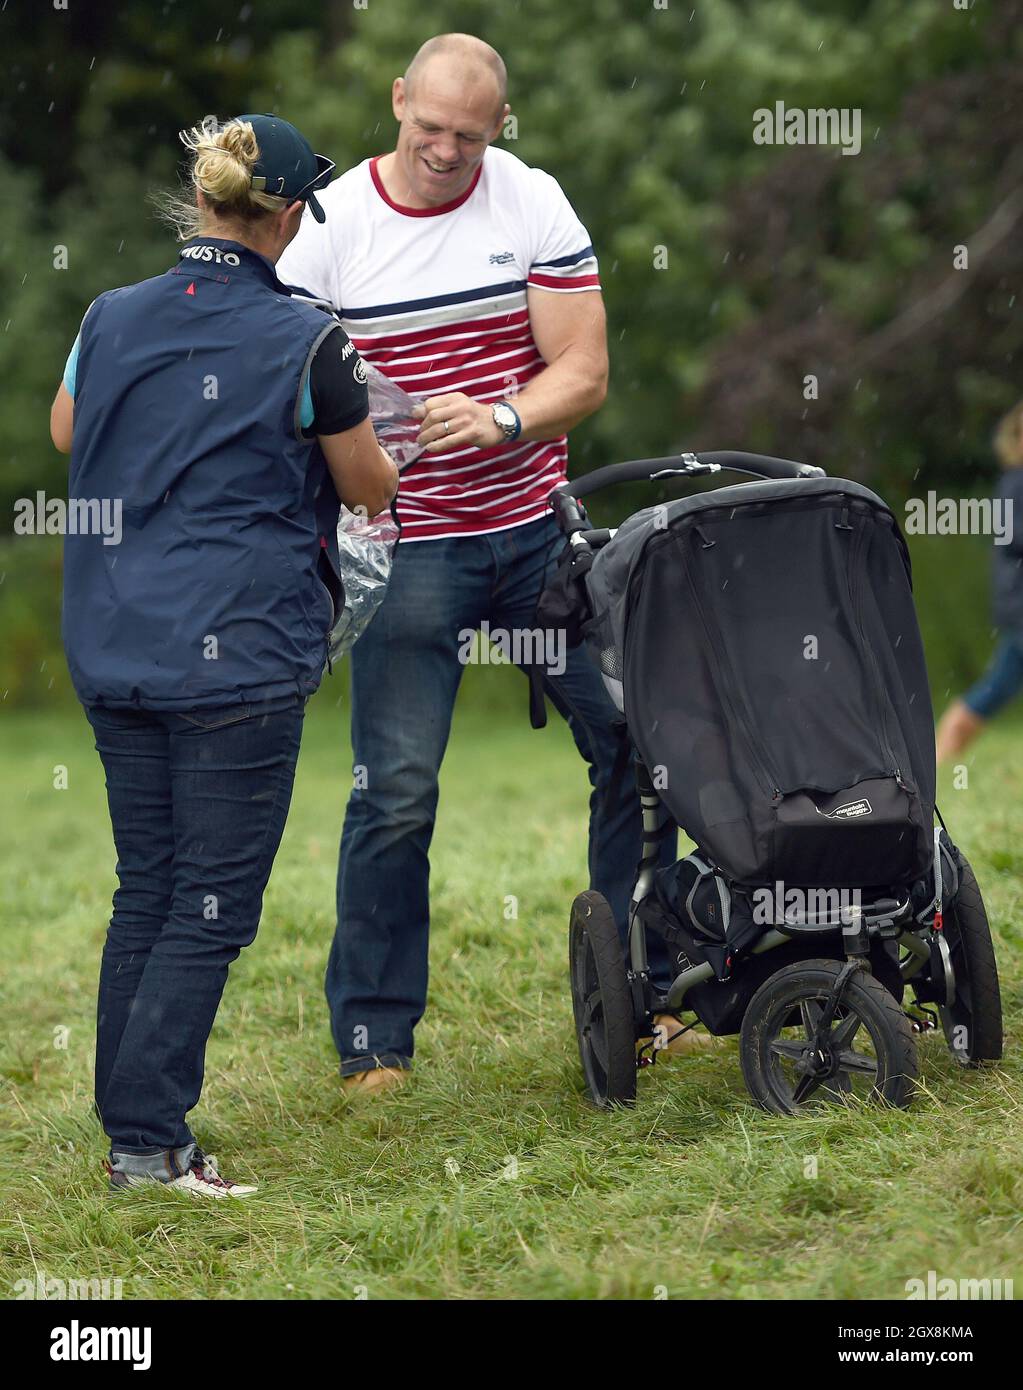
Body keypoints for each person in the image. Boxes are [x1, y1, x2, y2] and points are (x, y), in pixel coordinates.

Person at [278, 33, 681, 1096]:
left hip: (540, 538)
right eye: (429, 127)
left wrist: (502, 415)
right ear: (396, 100)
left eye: (470, 133)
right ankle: (375, 1042)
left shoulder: (530, 200)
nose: (447, 150)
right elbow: (287, 388)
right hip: (409, 548)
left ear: (500, 125)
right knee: (395, 792)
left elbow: (583, 369)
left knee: (644, 747)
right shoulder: (329, 230)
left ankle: (642, 995)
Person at [50, 114, 397, 1195]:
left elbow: (67, 430)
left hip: (115, 641)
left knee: (148, 889)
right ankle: (150, 1145)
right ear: (287, 218)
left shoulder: (109, 314)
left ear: (203, 199)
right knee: (208, 905)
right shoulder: (309, 339)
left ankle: (130, 1130)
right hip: (237, 658)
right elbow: (367, 486)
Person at [935, 401, 1023, 763]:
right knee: (999, 684)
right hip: (1019, 603)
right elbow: (1011, 535)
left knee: (1000, 683)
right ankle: (939, 754)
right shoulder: (1016, 483)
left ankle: (939, 755)